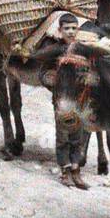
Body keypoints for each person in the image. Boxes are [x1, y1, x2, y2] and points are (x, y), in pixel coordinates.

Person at [47, 12, 91, 189]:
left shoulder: (83, 49)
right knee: (63, 137)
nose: (71, 32)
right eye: (67, 28)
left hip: (80, 100)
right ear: (60, 30)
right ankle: (64, 171)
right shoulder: (55, 50)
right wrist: (52, 80)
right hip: (63, 100)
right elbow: (43, 70)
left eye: (74, 28)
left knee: (77, 137)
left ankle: (76, 171)